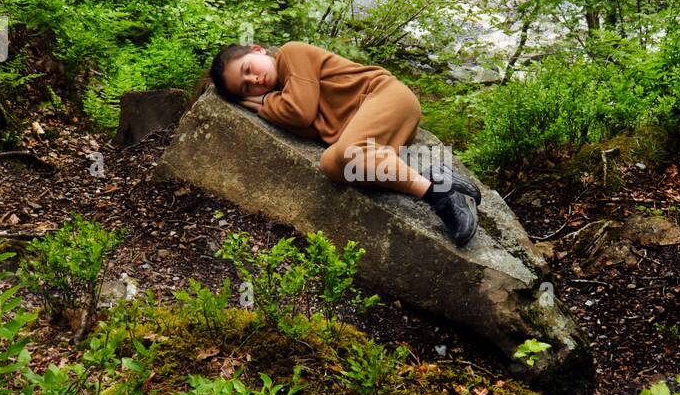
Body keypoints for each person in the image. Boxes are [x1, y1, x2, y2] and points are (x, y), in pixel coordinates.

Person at [206, 40, 481, 246]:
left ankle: (441, 198)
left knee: (349, 154)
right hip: (369, 140)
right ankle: (437, 180)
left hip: (386, 96)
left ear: (257, 50)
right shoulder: (284, 93)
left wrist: (263, 103)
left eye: (248, 69)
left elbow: (301, 113)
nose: (255, 80)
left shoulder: (291, 54)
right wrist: (273, 101)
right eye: (246, 88)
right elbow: (308, 127)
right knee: (331, 165)